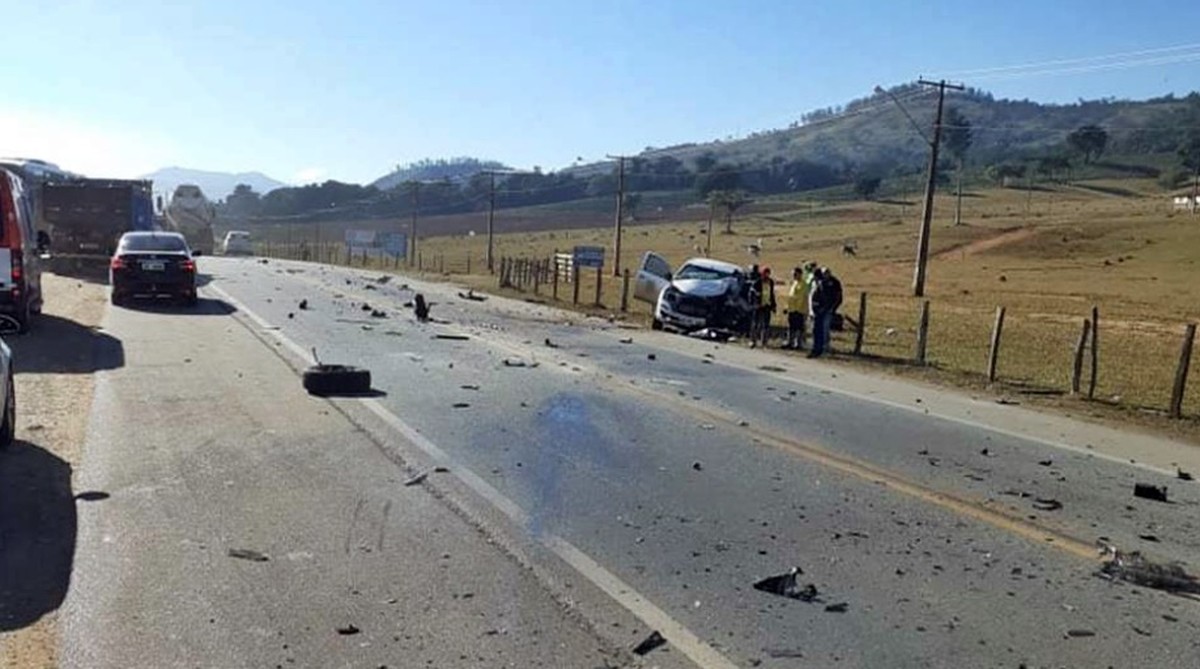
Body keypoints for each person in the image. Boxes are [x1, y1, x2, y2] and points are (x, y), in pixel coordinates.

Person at [783, 266, 807, 350]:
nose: (793, 276)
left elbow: (800, 298)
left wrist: (797, 309)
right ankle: (790, 342)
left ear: (800, 274)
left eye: (795, 274)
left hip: (798, 310)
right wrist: (787, 307)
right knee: (791, 327)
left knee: (799, 328)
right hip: (792, 309)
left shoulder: (803, 284)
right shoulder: (794, 283)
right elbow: (791, 296)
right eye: (793, 274)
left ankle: (798, 344)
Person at [754, 267, 777, 347]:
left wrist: (774, 305)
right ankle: (753, 340)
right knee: (756, 324)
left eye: (768, 273)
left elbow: (772, 294)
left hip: (767, 305)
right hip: (759, 306)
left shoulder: (771, 282)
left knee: (766, 324)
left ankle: (764, 341)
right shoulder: (757, 283)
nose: (766, 275)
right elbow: (753, 294)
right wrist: (756, 303)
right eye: (765, 273)